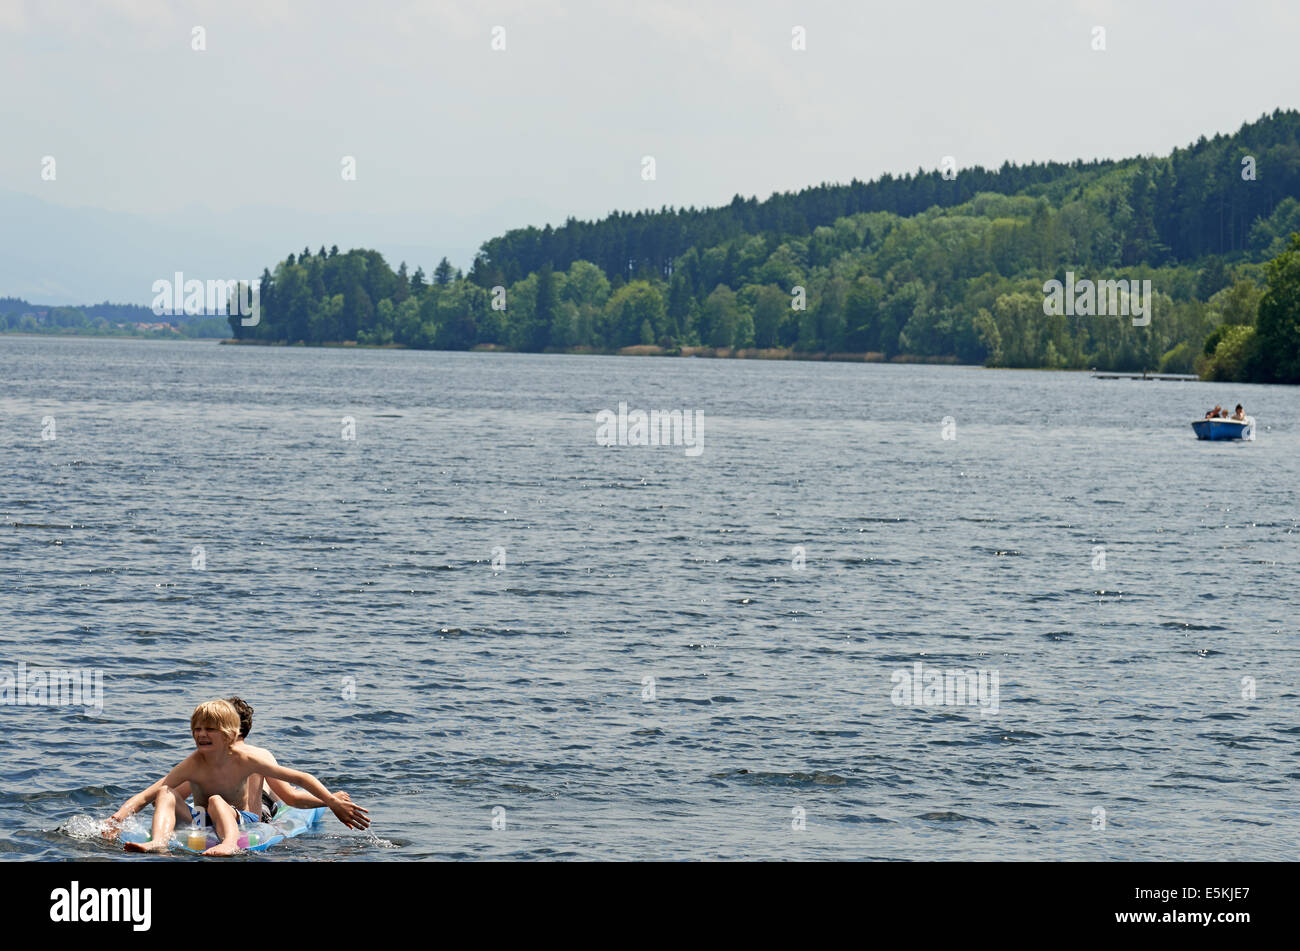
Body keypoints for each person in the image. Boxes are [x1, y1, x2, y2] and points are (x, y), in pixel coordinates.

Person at [123, 699, 369, 855]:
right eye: (198, 729)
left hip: (244, 815)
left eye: (210, 728)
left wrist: (331, 801)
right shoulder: (200, 760)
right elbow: (158, 793)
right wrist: (119, 818)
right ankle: (158, 843)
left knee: (220, 799)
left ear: (230, 731)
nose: (202, 734)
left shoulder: (253, 758)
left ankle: (229, 843)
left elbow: (294, 791)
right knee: (181, 795)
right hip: (208, 813)